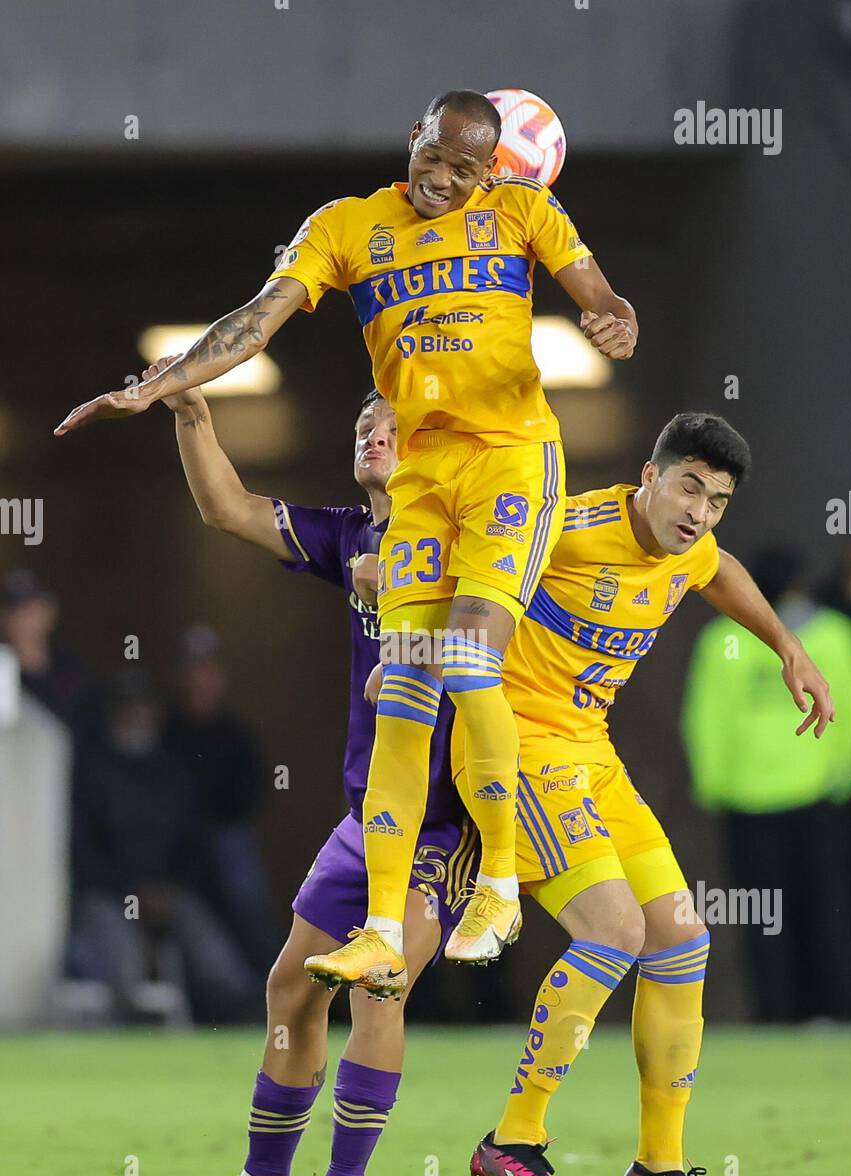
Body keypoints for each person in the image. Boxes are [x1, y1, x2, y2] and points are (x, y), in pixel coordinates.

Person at [55, 89, 637, 997]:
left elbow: (598, 292)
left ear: (495, 173)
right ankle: (377, 925)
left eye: (465, 170)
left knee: (470, 660)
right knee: (406, 686)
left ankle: (499, 886)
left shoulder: (525, 211)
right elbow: (257, 319)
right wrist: (159, 382)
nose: (442, 180)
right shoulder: (347, 225)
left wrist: (613, 316)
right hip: (425, 480)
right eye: (433, 157)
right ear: (415, 139)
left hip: (512, 465)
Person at [435, 414, 832, 1176]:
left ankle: (658, 1168)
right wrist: (410, 654)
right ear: (648, 477)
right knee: (614, 932)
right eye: (689, 486)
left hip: (590, 754)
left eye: (717, 499)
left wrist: (786, 645)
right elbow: (468, 573)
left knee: (682, 940)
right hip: (512, 744)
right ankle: (513, 1139)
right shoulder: (567, 527)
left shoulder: (692, 547)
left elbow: (719, 572)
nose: (698, 511)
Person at [143, 359, 479, 1176]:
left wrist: (412, 598)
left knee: (378, 982)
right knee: (291, 988)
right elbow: (229, 509)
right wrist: (191, 415)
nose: (376, 431)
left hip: (447, 820)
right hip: (369, 814)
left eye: (397, 424)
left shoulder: (473, 540)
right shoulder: (347, 538)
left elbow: (500, 641)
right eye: (366, 423)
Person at [682, 547, 851, 1021]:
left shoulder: (724, 639)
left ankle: (777, 1018)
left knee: (764, 918)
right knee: (827, 911)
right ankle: (838, 1016)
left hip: (748, 802)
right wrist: (842, 779)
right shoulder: (833, 634)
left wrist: (714, 786)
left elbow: (706, 721)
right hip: (816, 798)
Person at [70, 667, 257, 1024]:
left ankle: (242, 1014)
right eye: (127, 707)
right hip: (110, 895)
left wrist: (169, 889)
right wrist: (130, 891)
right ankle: (132, 1027)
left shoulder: (175, 774)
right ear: (113, 712)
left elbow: (195, 844)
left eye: (143, 707)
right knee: (120, 953)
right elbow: (82, 852)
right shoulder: (90, 775)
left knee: (209, 947)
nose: (136, 716)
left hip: (169, 893)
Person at [164, 625, 278, 978]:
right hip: (173, 840)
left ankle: (265, 986)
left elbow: (255, 792)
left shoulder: (234, 733)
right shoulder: (166, 730)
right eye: (192, 669)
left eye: (207, 669)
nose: (200, 679)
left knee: (243, 894)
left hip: (223, 834)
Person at [0, 569, 96, 740]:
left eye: (31, 609)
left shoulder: (71, 670)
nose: (24, 619)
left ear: (50, 612)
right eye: (15, 610)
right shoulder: (2, 666)